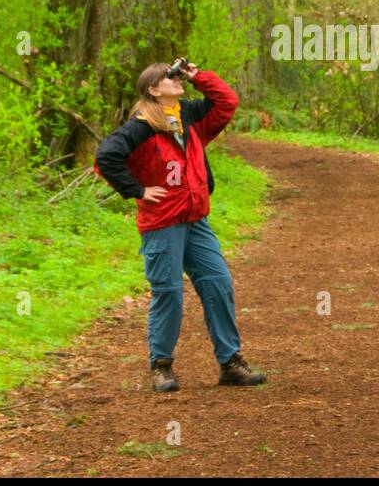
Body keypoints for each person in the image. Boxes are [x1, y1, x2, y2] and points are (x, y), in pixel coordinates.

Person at [94, 58, 267, 392]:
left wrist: (197, 75)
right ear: (153, 89)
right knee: (169, 292)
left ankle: (230, 363)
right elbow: (106, 156)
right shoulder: (142, 125)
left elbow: (227, 102)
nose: (176, 81)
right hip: (162, 222)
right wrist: (137, 190)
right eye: (168, 78)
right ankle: (161, 366)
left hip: (195, 218)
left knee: (217, 282)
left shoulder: (188, 116)